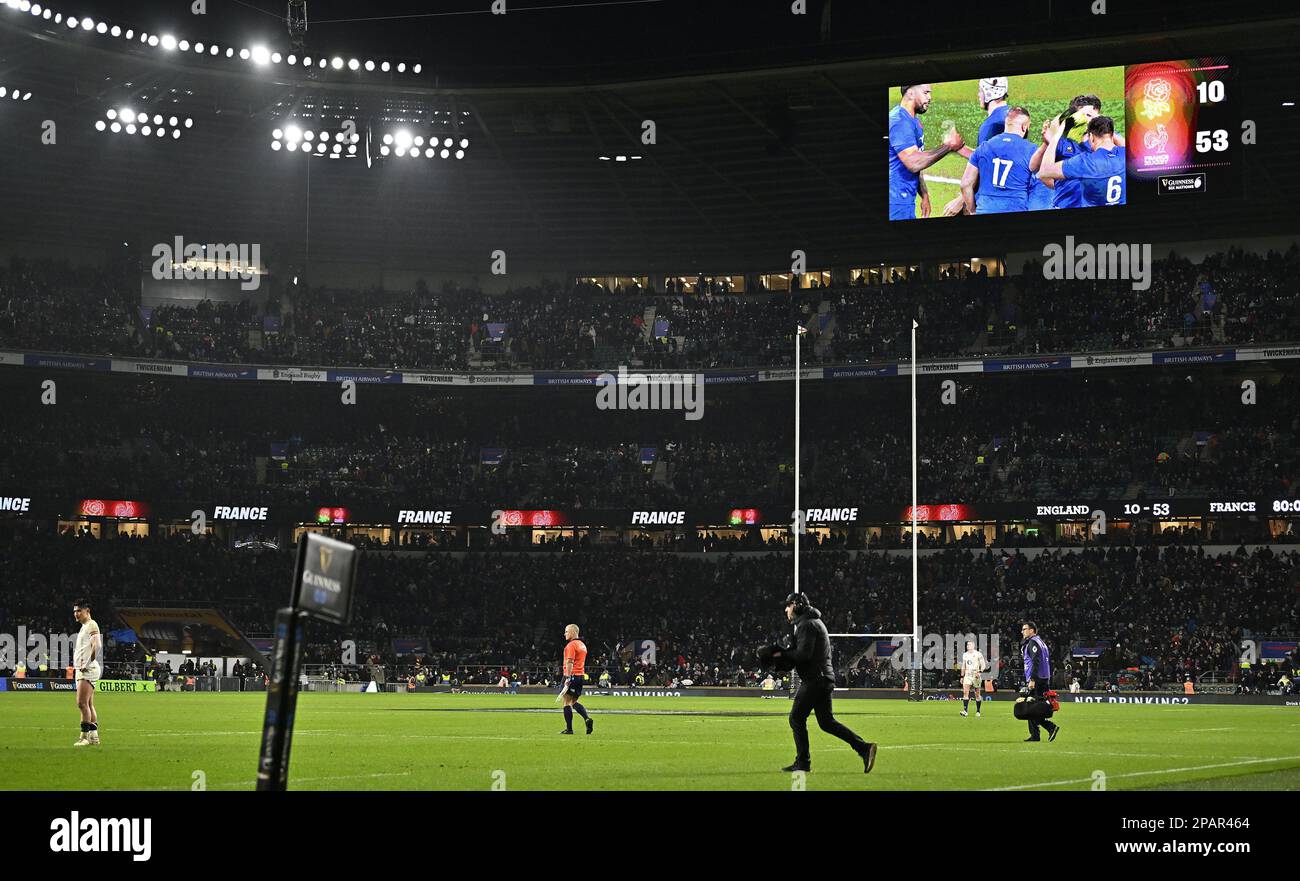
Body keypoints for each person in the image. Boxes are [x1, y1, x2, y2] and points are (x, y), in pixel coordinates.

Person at [771, 592, 877, 773]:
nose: (786, 610)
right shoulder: (810, 622)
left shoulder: (806, 625)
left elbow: (804, 654)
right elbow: (802, 653)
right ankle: (864, 748)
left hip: (815, 680)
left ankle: (803, 762)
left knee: (796, 718)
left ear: (796, 605)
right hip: (822, 678)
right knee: (826, 722)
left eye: (788, 606)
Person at [888, 84, 964, 220]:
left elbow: (918, 164)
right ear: (910, 94)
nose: (930, 97)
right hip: (895, 200)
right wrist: (948, 146)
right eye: (926, 93)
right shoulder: (899, 121)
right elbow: (913, 162)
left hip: (905, 198)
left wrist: (924, 194)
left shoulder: (914, 121)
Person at [1020, 621, 1059, 742]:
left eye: (1024, 629)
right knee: (1037, 707)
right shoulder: (1041, 642)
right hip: (1044, 677)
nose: (1022, 632)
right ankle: (1036, 734)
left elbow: (1036, 660)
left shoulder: (1033, 642)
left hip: (1037, 679)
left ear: (1032, 630)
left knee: (1031, 707)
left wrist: (1032, 679)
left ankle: (1049, 727)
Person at [72, 599, 101, 747]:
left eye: (79, 611)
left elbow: (98, 645)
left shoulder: (91, 625)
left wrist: (86, 663)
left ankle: (84, 737)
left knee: (81, 703)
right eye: (75, 612)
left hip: (87, 670)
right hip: (84, 668)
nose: (76, 614)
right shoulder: (84, 627)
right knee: (88, 704)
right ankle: (94, 736)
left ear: (87, 611)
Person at [559, 624, 593, 735]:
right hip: (580, 676)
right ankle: (587, 718)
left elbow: (570, 662)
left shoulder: (571, 645)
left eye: (566, 631)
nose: (565, 634)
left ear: (573, 632)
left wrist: (567, 678)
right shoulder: (582, 645)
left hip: (571, 675)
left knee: (566, 702)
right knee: (574, 702)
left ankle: (569, 729)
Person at [959, 639, 987, 717]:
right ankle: (965, 711)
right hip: (967, 675)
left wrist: (980, 672)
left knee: (977, 694)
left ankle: (978, 711)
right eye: (967, 645)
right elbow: (963, 666)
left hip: (976, 675)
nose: (968, 646)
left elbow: (983, 665)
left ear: (973, 646)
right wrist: (962, 676)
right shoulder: (965, 654)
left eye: (970, 644)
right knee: (965, 692)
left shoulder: (978, 654)